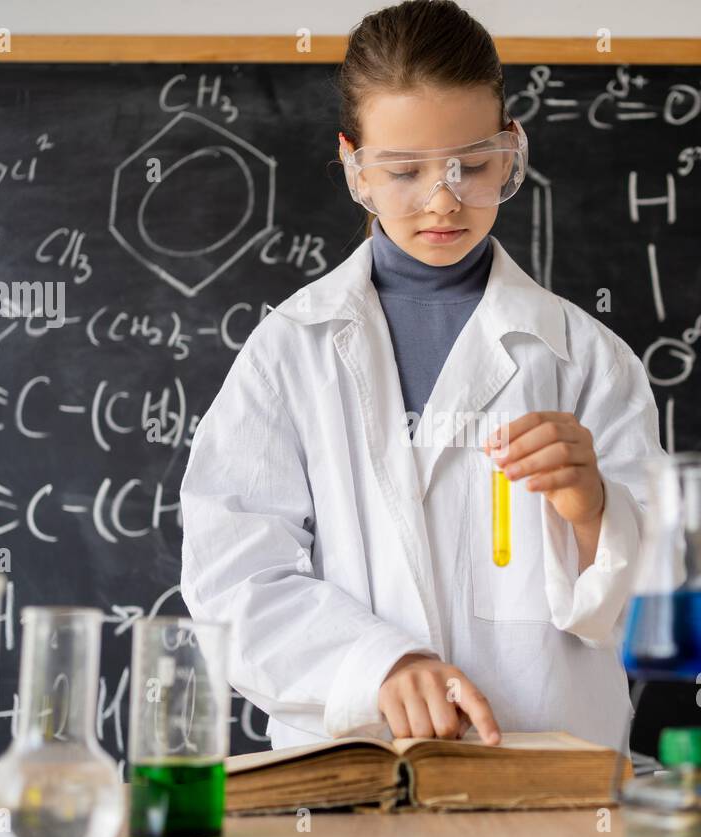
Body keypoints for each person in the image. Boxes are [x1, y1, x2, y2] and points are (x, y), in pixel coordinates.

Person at [180, 0, 662, 753]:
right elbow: (234, 583)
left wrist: (596, 510)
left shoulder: (587, 360)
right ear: (353, 165)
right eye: (404, 171)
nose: (443, 199)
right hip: (351, 781)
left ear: (511, 149)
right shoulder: (289, 353)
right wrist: (380, 664)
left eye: (472, 165)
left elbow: (658, 610)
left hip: (550, 787)